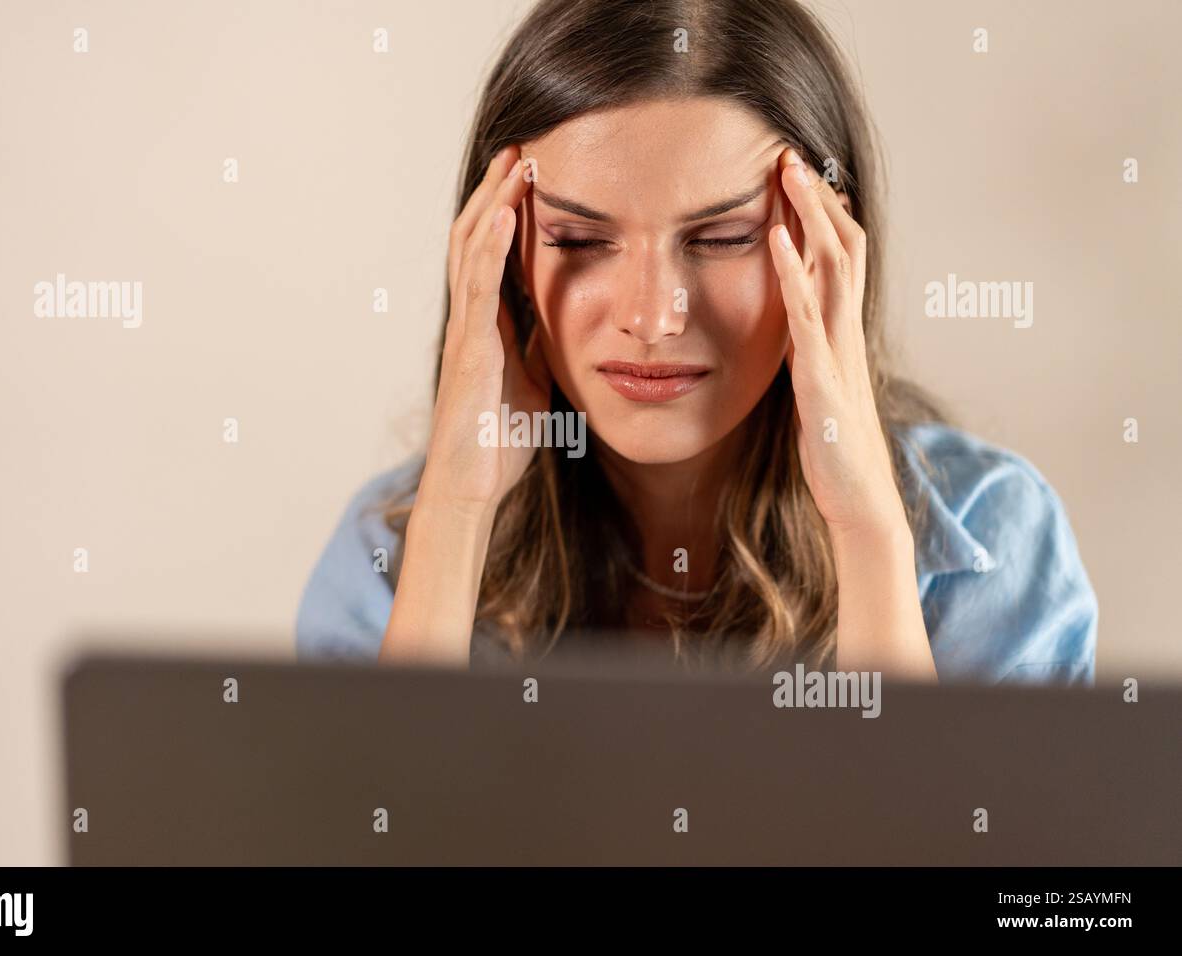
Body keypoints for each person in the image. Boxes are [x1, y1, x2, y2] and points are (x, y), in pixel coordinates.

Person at [296, 0, 1097, 684]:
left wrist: (867, 532)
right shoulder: (390, 547)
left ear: (829, 254)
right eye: (578, 238)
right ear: (501, 262)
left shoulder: (992, 539)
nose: (653, 317)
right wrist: (457, 515)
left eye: (721, 238)